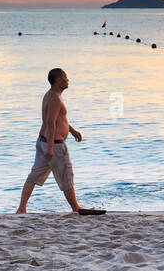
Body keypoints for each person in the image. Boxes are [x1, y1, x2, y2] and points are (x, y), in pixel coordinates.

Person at [16, 68, 105, 215]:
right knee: (66, 174)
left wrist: (71, 130)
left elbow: (58, 120)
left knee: (34, 175)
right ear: (58, 80)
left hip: (43, 142)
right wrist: (50, 148)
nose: (67, 80)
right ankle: (76, 208)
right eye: (65, 77)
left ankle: (22, 208)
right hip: (54, 145)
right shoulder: (55, 99)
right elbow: (51, 123)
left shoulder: (51, 95)